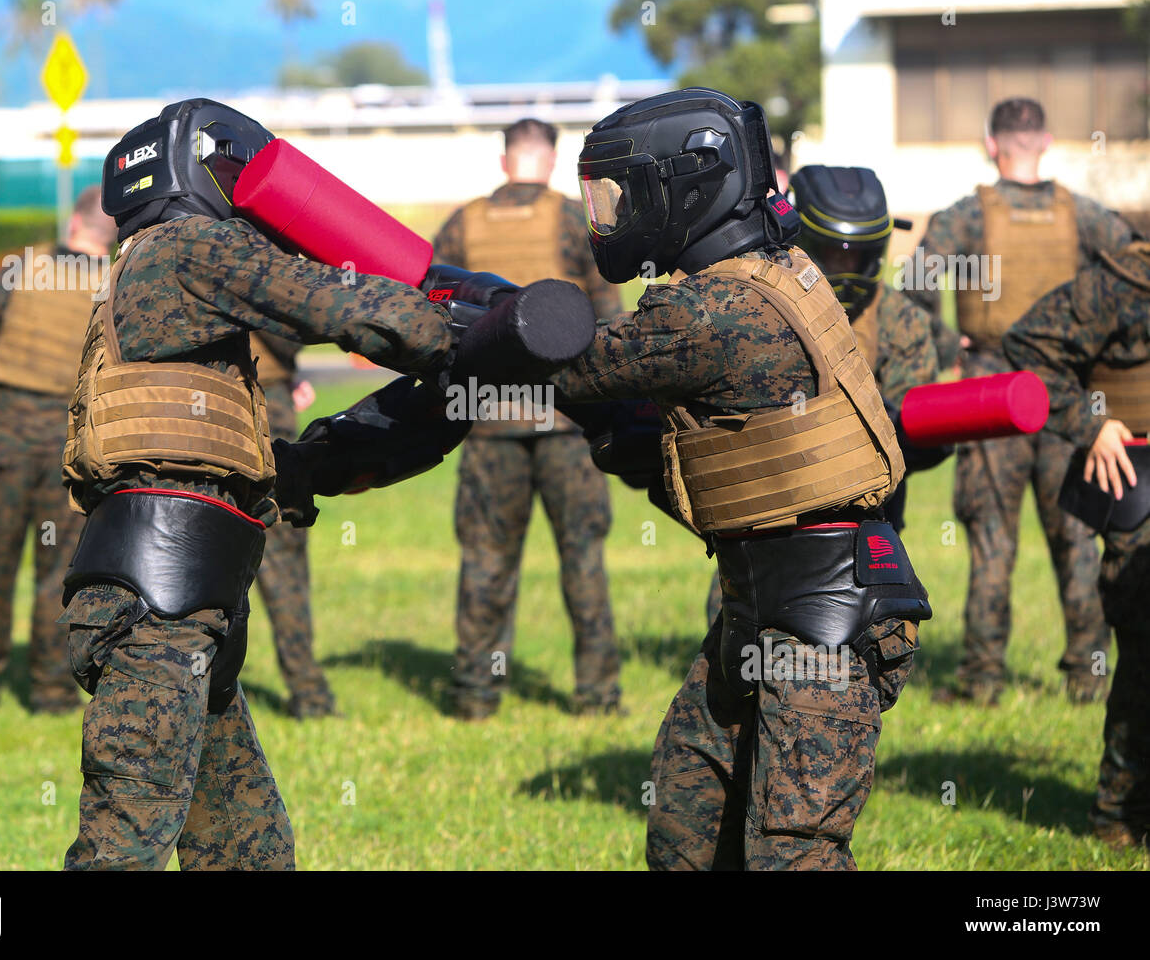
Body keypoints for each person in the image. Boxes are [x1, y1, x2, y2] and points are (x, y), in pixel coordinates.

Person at [58, 99, 459, 870]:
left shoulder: (155, 274)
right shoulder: (184, 249)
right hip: (155, 613)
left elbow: (214, 458)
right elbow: (327, 302)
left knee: (248, 847)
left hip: (185, 606)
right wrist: (452, 319)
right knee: (123, 847)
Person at [551, 88, 929, 870]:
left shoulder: (717, 306)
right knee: (687, 831)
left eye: (624, 196)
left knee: (791, 856)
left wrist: (456, 322)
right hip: (752, 608)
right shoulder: (770, 274)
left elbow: (575, 365)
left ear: (684, 192)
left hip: (822, 621)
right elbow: (712, 449)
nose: (612, 218)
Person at [905, 97, 1131, 705]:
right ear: (1046, 141)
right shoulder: (1086, 217)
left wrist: (953, 343)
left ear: (992, 145)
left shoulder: (966, 217)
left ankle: (981, 683)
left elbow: (914, 289)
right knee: (1079, 539)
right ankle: (1089, 679)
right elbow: (1132, 272)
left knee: (992, 544)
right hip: (1071, 398)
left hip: (993, 394)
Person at [432, 118, 623, 718]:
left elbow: (433, 305)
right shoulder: (575, 219)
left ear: (506, 158)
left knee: (486, 561)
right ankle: (597, 696)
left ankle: (475, 696)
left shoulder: (463, 223)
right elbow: (608, 315)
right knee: (583, 559)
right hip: (565, 421)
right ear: (551, 158)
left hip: (486, 419)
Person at [705, 165, 939, 627]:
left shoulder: (899, 320)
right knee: (740, 643)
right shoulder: (761, 304)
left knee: (866, 653)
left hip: (867, 527)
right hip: (769, 516)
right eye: (834, 255)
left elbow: (921, 429)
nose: (846, 269)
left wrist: (901, 428)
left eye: (857, 257)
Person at [0, 186, 116, 712]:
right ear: (109, 233)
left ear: (72, 223)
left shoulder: (24, 267)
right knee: (59, 572)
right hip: (71, 443)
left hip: (4, 435)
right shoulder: (115, 283)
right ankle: (50, 692)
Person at [1004, 240, 1150, 849]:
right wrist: (1091, 424)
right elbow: (1027, 343)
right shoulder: (1124, 284)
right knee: (1146, 651)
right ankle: (1119, 814)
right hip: (1140, 485)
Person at [248, 332, 334, 718]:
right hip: (263, 398)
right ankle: (309, 695)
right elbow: (290, 319)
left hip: (191, 403)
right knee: (282, 557)